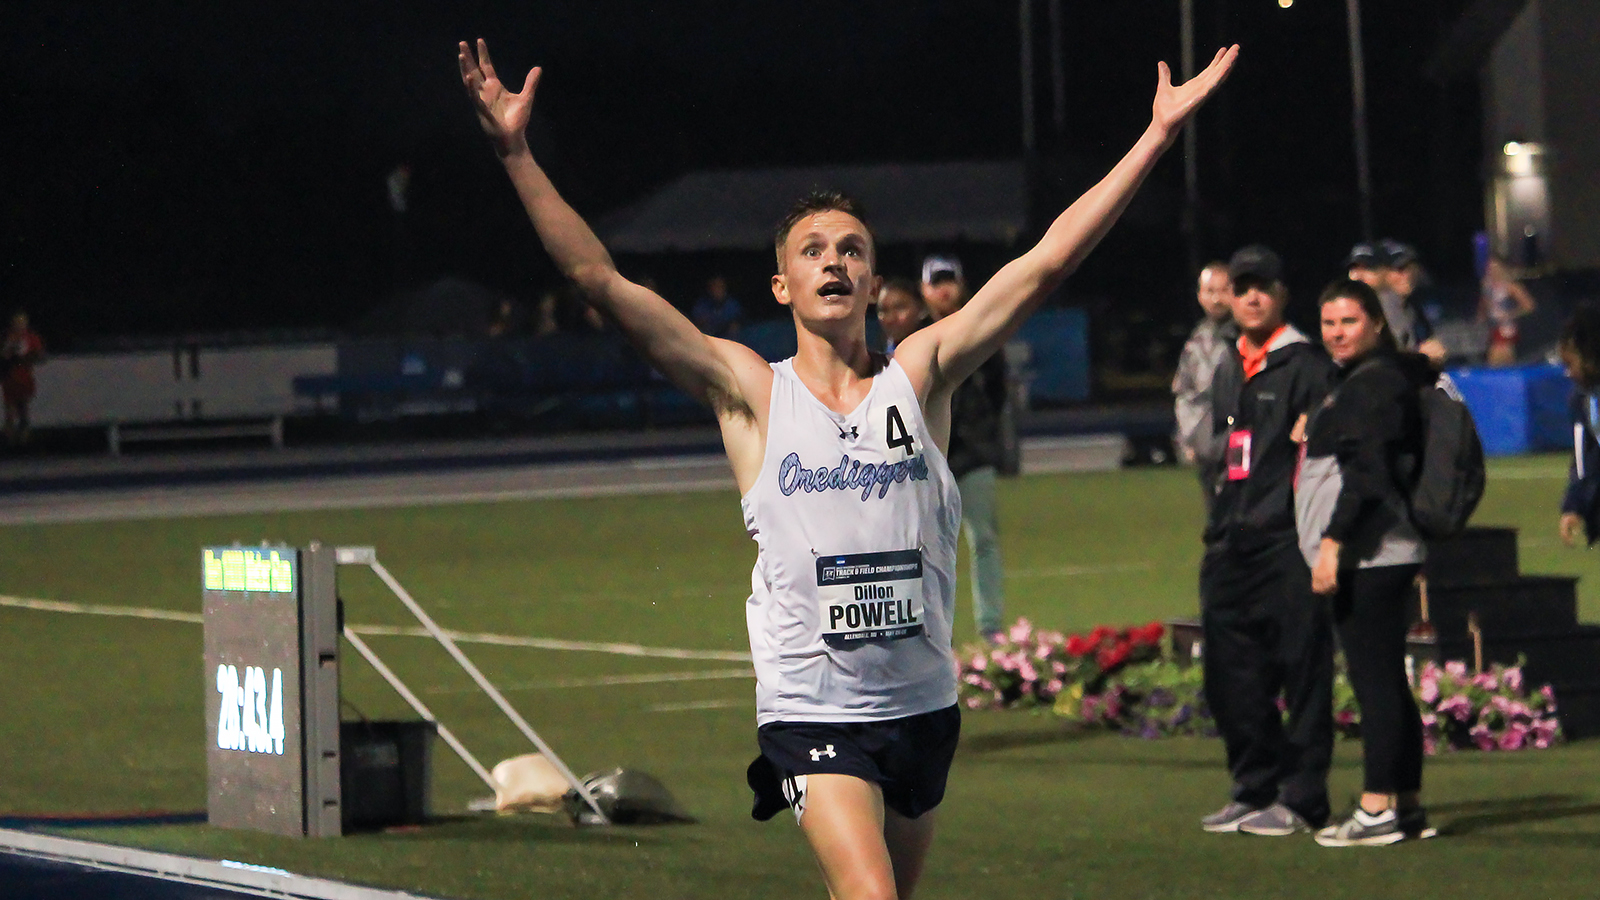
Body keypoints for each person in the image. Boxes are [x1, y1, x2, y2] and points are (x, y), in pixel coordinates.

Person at [459, 36, 1236, 899]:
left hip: (921, 708)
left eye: (853, 249)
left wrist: (1155, 136)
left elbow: (1047, 262)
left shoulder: (923, 374)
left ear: (874, 283)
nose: (835, 259)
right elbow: (597, 280)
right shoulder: (750, 391)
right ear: (783, 286)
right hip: (811, 712)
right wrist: (516, 154)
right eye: (813, 249)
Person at [1198, 244, 1335, 837]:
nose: (1252, 297)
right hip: (1231, 538)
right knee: (1230, 671)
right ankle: (1253, 786)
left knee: (1301, 672)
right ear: (1229, 297)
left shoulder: (1307, 365)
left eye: (1263, 286)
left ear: (1282, 295)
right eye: (1243, 286)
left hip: (1287, 541)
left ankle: (1304, 798)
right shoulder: (1230, 363)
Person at [1297, 279, 1435, 845]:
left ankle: (1377, 809)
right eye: (1328, 323)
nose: (1336, 332)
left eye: (1349, 321)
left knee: (1374, 681)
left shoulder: (1373, 383)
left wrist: (1332, 543)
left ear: (1377, 323)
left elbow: (1367, 477)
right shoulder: (1366, 380)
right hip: (1383, 552)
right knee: (1388, 683)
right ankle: (1404, 806)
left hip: (1371, 554)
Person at [920, 254, 1013, 644]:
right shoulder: (916, 338)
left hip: (973, 452)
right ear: (924, 290)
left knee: (983, 539)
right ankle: (929, 626)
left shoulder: (980, 329)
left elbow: (998, 386)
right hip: (928, 458)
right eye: (936, 282)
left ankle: (990, 625)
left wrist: (982, 430)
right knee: (926, 545)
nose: (943, 290)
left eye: (949, 281)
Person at [1172, 261, 1237, 511]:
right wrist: (1187, 439)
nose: (1217, 299)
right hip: (1209, 449)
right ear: (1200, 296)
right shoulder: (1195, 343)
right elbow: (1184, 394)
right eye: (1210, 291)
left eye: (1223, 290)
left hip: (1241, 445)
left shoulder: (1247, 336)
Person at [1557, 303, 1600, 548]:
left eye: (1570, 364)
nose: (1568, 373)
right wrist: (1574, 506)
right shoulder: (1583, 400)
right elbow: (1584, 463)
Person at [1379, 239, 1447, 365]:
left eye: (1409, 269)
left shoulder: (1413, 305)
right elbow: (1381, 357)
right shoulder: (1379, 306)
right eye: (1398, 270)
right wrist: (1419, 354)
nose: (1406, 276)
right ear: (1384, 273)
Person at [1478, 255, 1536, 367]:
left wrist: (1510, 314)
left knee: (1501, 356)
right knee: (1494, 358)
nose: (1492, 271)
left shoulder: (1511, 286)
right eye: (1489, 269)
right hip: (1492, 326)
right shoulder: (1487, 287)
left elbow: (1529, 306)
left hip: (1507, 327)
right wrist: (1481, 316)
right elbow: (1484, 305)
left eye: (1495, 268)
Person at [2, 311, 45, 446]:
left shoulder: (32, 338)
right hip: (8, 376)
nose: (19, 325)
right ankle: (9, 438)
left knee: (22, 407)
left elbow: (40, 356)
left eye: (22, 322)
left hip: (24, 376)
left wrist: (29, 357)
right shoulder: (7, 337)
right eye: (17, 322)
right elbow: (3, 355)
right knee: (9, 408)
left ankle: (23, 436)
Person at [875, 278, 929, 354]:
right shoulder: (873, 358)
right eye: (884, 310)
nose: (891, 318)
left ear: (921, 309)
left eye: (899, 308)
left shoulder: (938, 354)